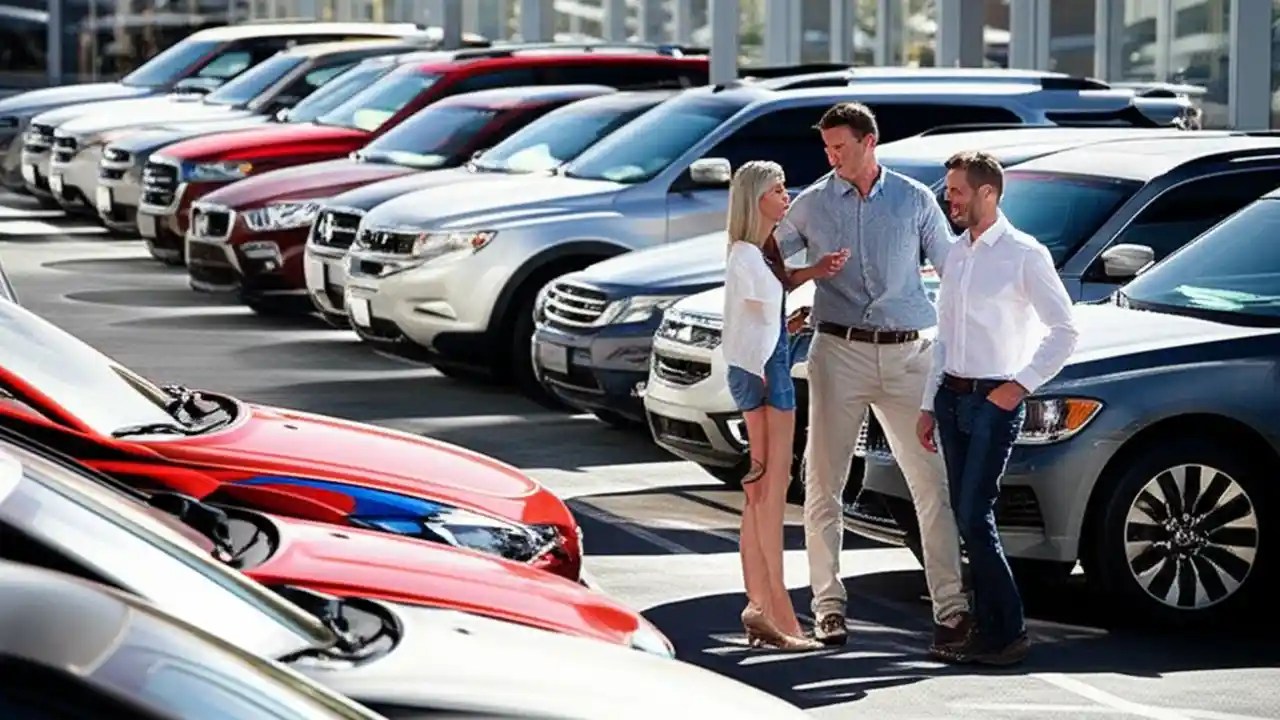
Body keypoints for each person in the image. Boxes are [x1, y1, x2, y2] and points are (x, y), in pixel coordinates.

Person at [775, 102, 971, 653]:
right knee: (823, 484)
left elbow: (955, 271)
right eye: (827, 148)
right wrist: (801, 284)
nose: (832, 157)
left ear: (870, 142)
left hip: (911, 356)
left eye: (840, 147)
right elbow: (771, 265)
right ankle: (828, 608)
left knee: (932, 486)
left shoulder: (913, 200)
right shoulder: (812, 204)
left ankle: (951, 611)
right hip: (838, 353)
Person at [917, 151, 1077, 665]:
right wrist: (928, 403)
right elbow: (944, 337)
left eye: (958, 190)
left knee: (972, 514)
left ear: (988, 193)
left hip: (993, 400)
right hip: (952, 398)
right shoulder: (957, 254)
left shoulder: (1024, 254)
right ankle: (990, 631)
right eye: (948, 189)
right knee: (967, 518)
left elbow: (1065, 331)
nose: (949, 198)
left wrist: (1019, 386)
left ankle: (1007, 632)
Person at [721, 160, 846, 651]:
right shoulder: (748, 254)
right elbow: (763, 300)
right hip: (766, 377)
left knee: (760, 496)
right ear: (756, 200)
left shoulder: (757, 250)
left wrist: (807, 280)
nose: (786, 193)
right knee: (768, 497)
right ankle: (777, 617)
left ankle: (761, 609)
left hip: (762, 365)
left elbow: (765, 305)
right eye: (777, 189)